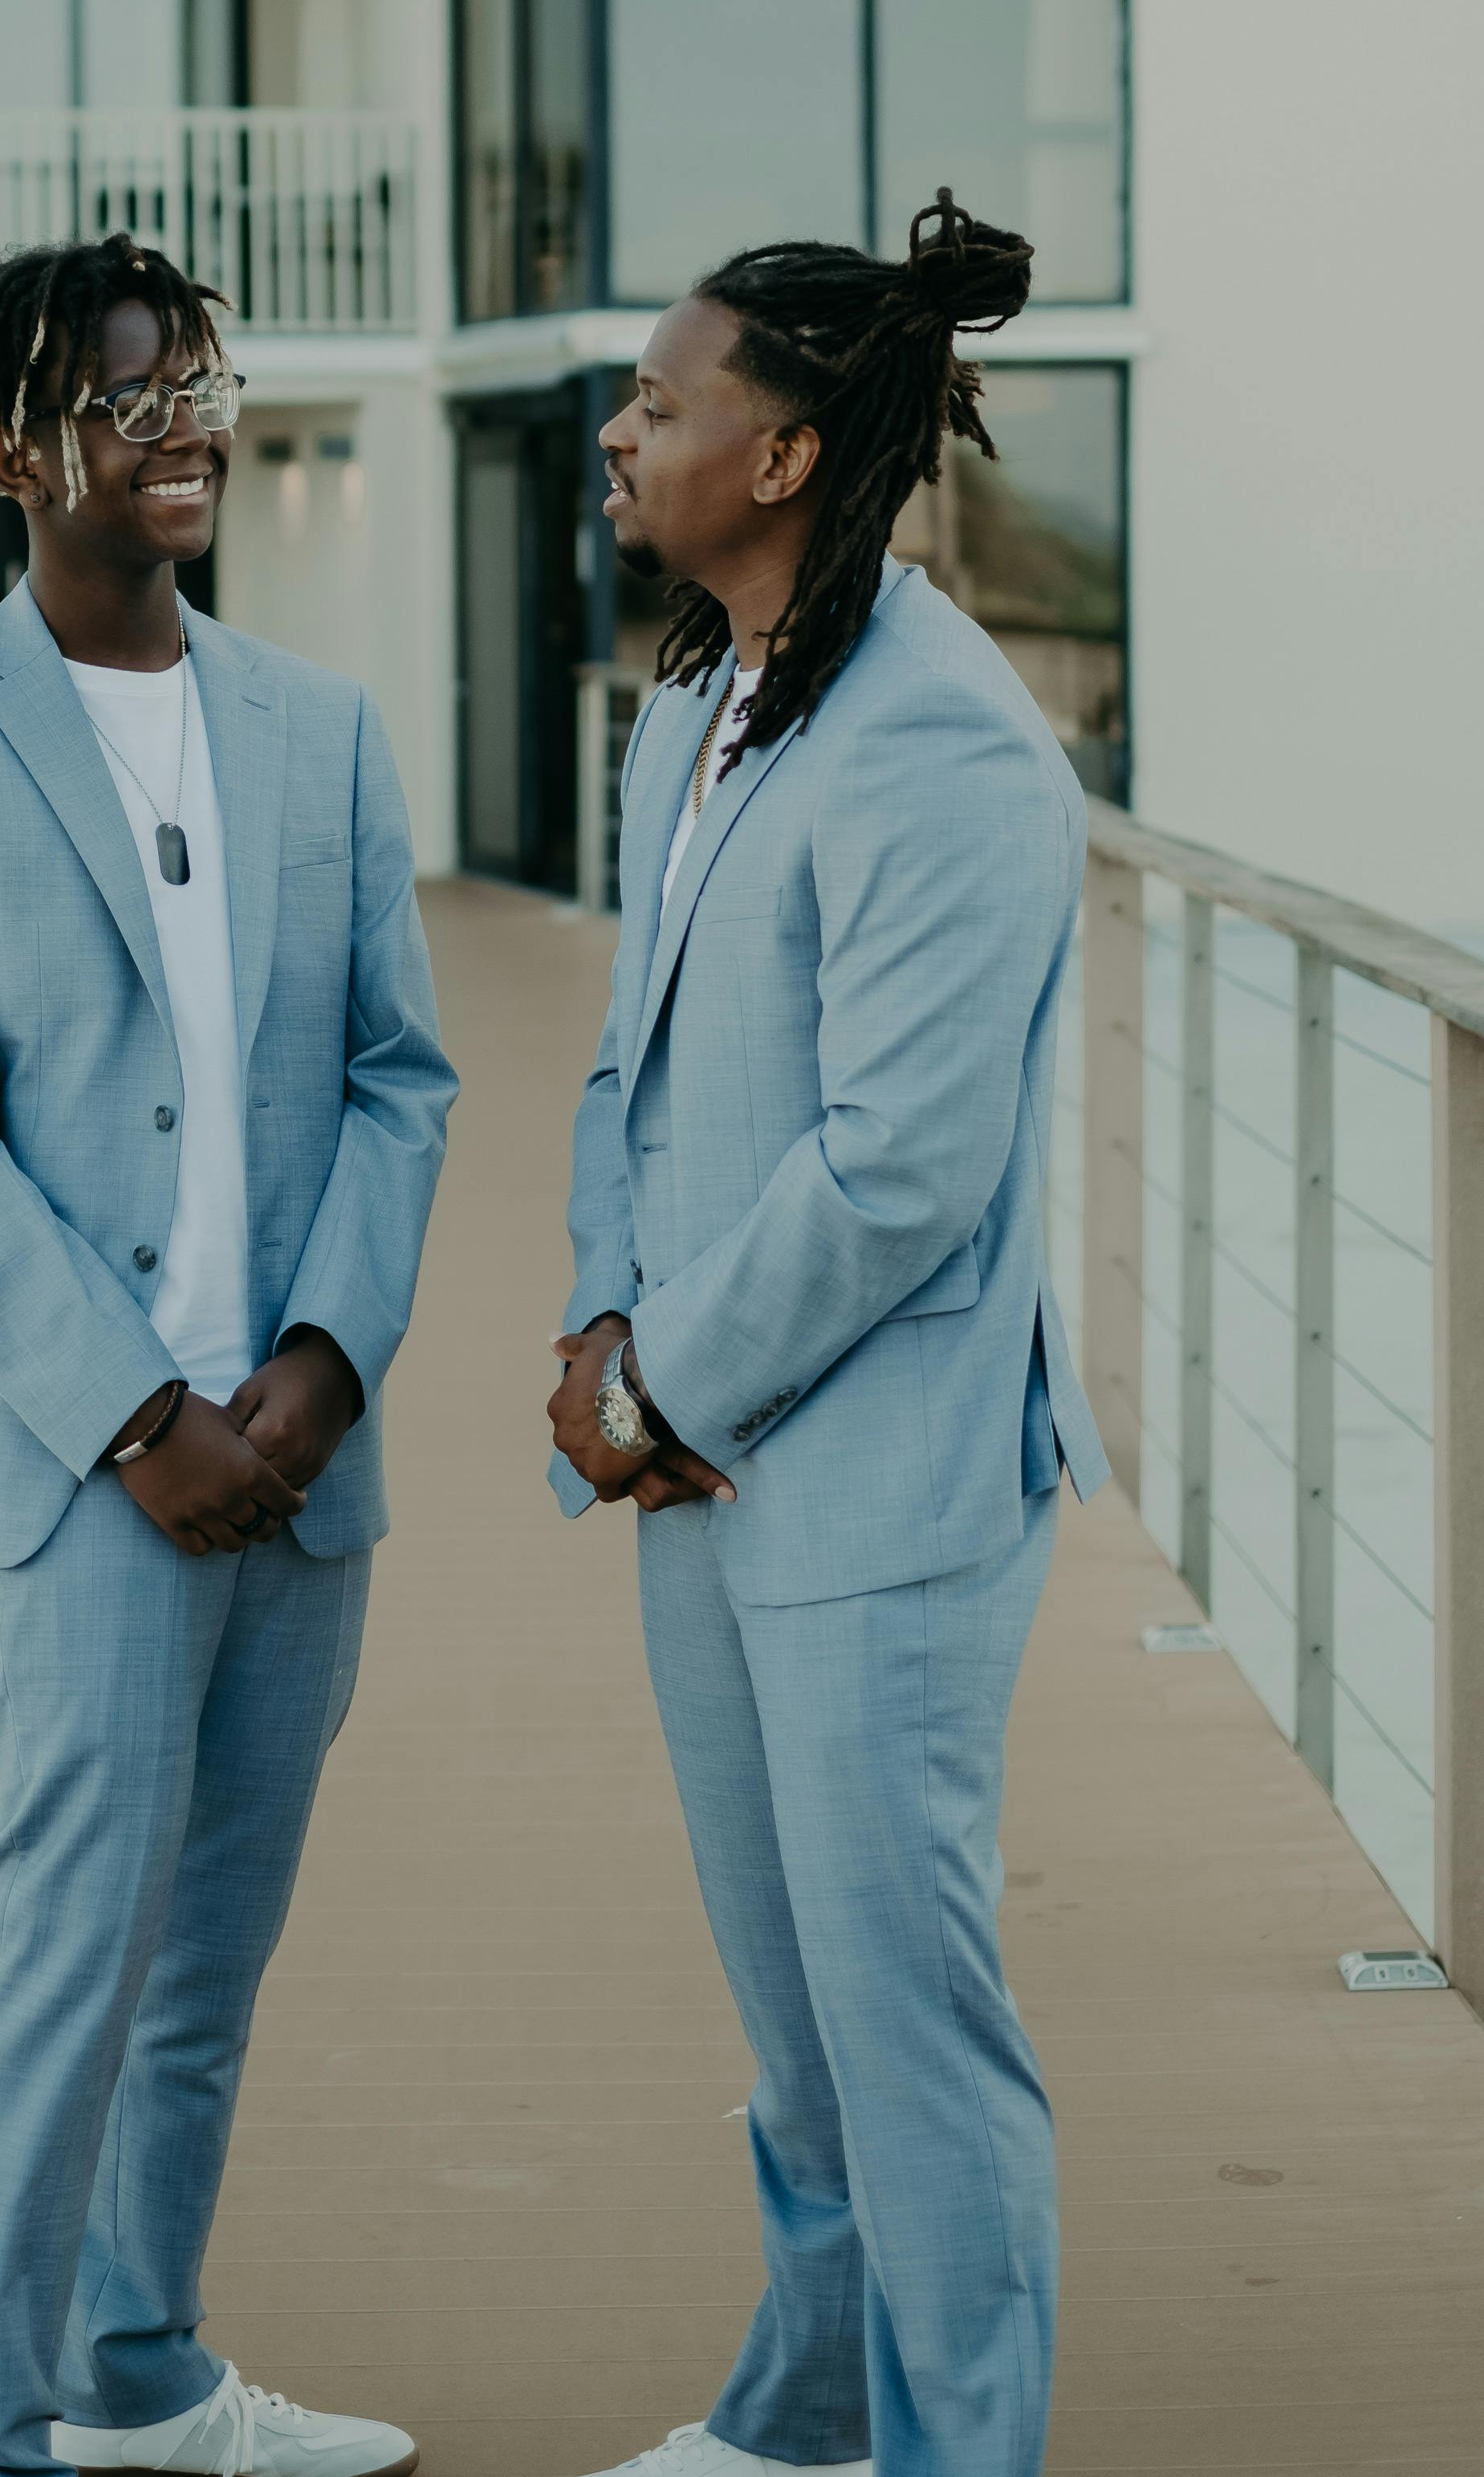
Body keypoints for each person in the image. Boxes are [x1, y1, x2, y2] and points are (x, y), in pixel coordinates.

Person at [0, 235, 455, 2477]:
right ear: (15, 444)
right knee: (63, 1970)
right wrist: (135, 1414)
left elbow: (400, 1074)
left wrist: (321, 1360)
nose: (185, 422)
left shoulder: (320, 729)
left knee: (205, 1979)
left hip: (299, 1464)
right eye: (129, 394)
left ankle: (145, 2381)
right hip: (74, 1472)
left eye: (200, 378)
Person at [547, 196, 1108, 2477]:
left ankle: (956, 2448)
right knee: (797, 2025)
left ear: (778, 458)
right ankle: (800, 2418)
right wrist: (606, 1324)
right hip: (699, 1456)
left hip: (871, 1484)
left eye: (664, 405)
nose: (621, 430)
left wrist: (656, 1383)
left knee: (910, 2024)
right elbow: (634, 1072)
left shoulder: (944, 744)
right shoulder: (695, 699)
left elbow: (900, 1165)